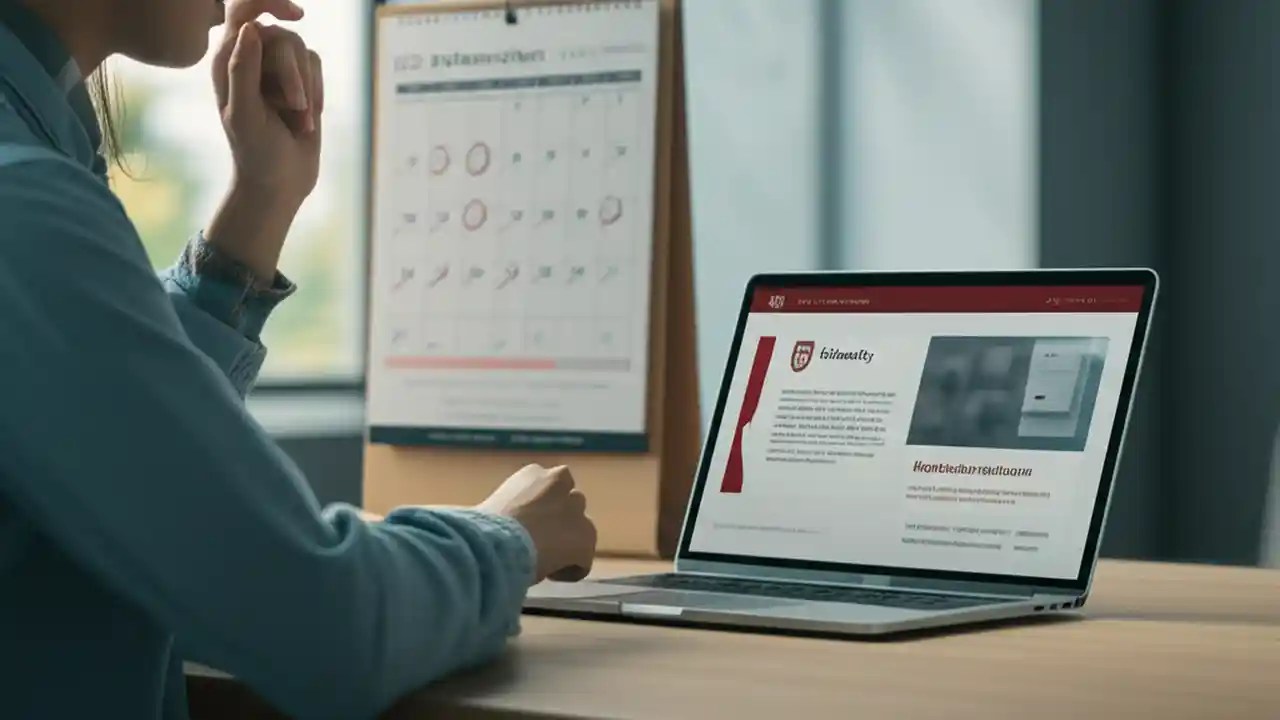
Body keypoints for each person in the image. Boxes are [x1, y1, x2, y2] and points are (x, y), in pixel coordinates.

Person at [0, 0, 598, 718]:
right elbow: (329, 625)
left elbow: (93, 437)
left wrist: (262, 198)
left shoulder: (31, 163)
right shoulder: (24, 205)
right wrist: (508, 539)